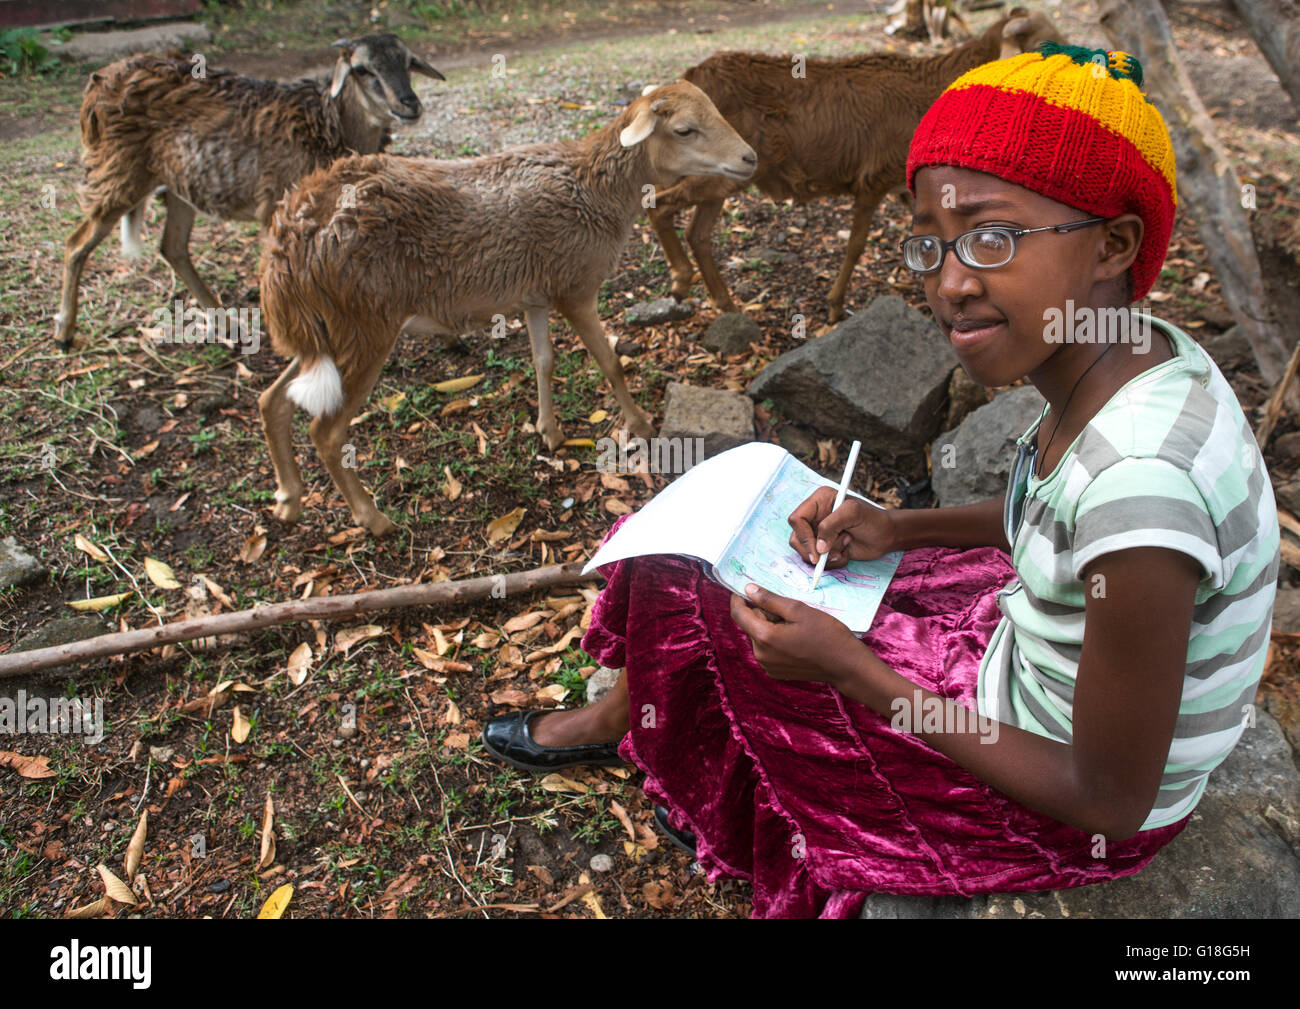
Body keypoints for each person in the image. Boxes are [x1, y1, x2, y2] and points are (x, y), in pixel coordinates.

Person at [481, 43, 1281, 917]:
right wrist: (899, 529)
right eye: (930, 244)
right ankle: (643, 721)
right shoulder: (1132, 357)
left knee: (686, 581)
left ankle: (628, 731)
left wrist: (858, 673)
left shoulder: (1143, 483)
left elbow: (1106, 799)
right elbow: (1055, 528)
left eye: (991, 236)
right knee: (771, 563)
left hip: (1045, 797)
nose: (950, 283)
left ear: (1114, 243)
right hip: (1035, 657)